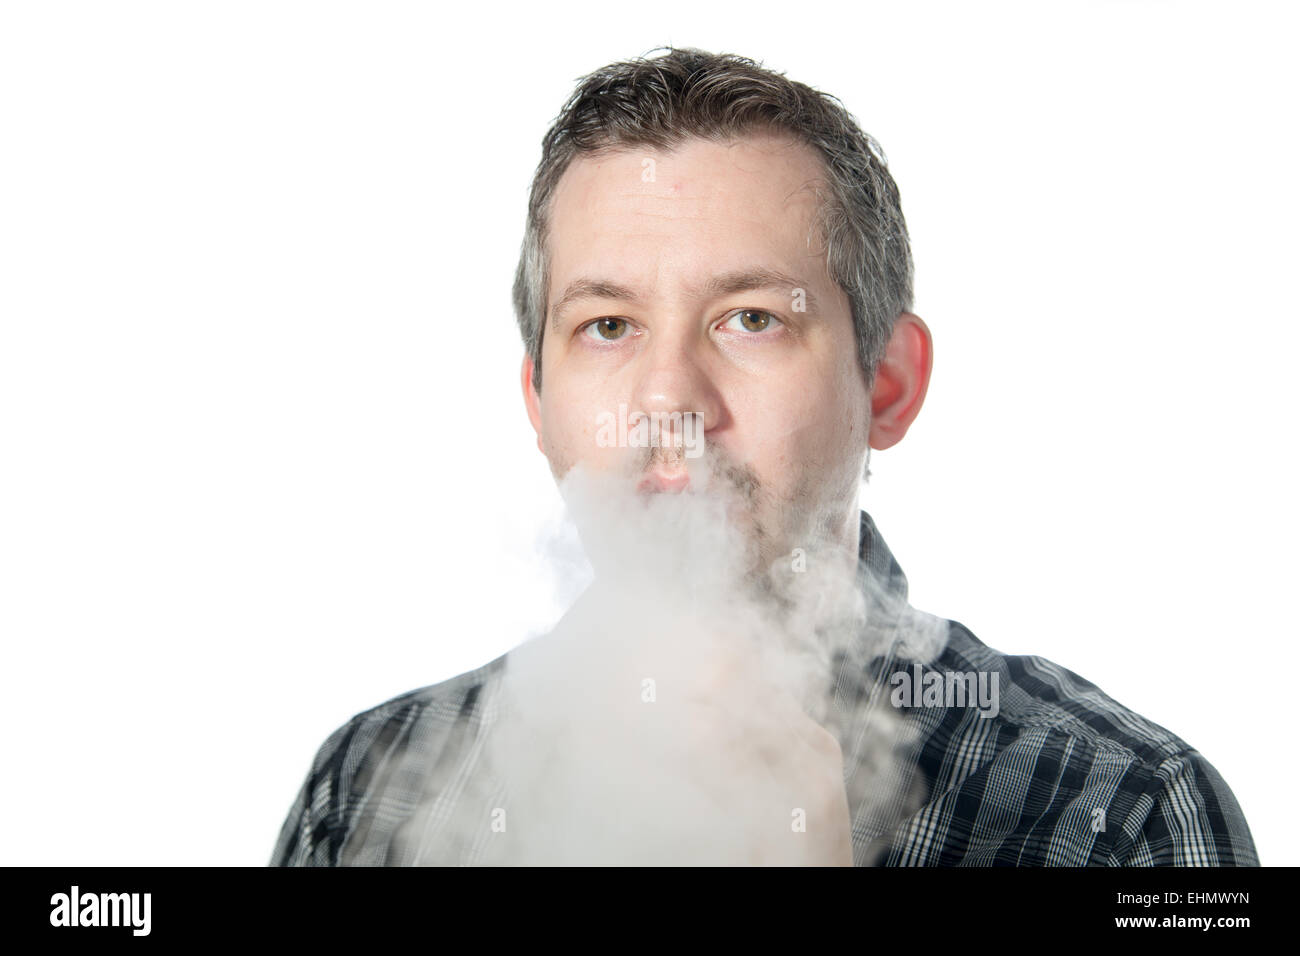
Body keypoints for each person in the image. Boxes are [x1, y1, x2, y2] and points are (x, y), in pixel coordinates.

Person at [271, 47, 1258, 866]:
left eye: (750, 318)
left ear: (887, 384)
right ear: (538, 401)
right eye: (607, 325)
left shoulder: (1123, 816)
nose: (667, 401)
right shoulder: (363, 790)